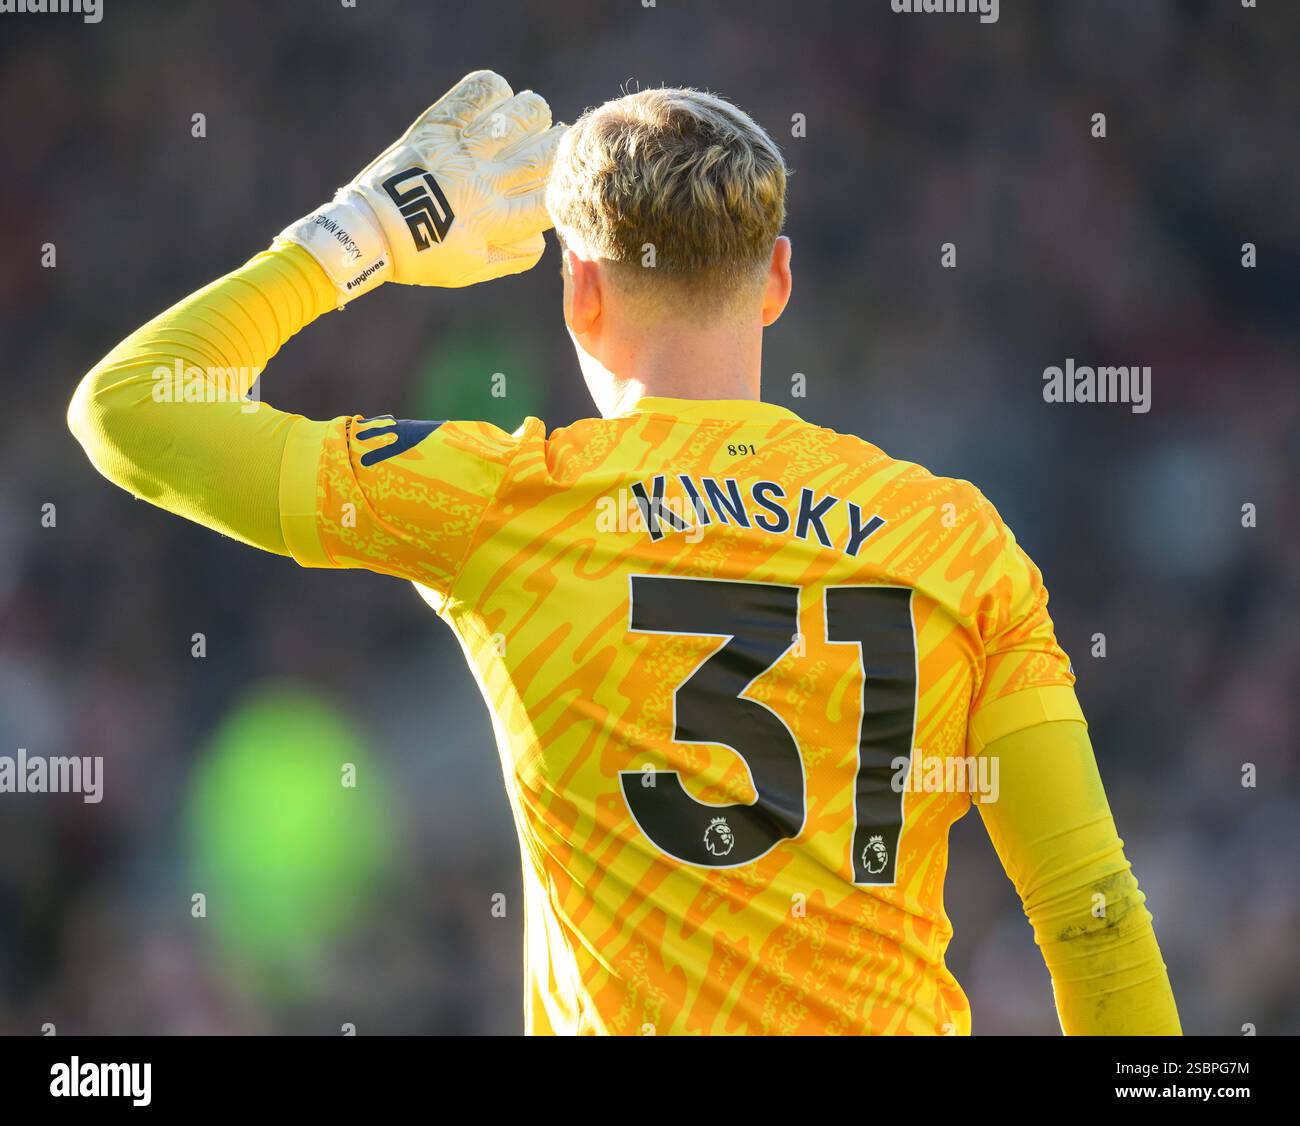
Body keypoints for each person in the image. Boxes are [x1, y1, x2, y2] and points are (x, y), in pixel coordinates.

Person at [68, 71, 1180, 1035]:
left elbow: (129, 411)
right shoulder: (956, 540)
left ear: (579, 291)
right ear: (778, 278)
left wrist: (366, 227)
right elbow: (1093, 915)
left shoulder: (506, 503)